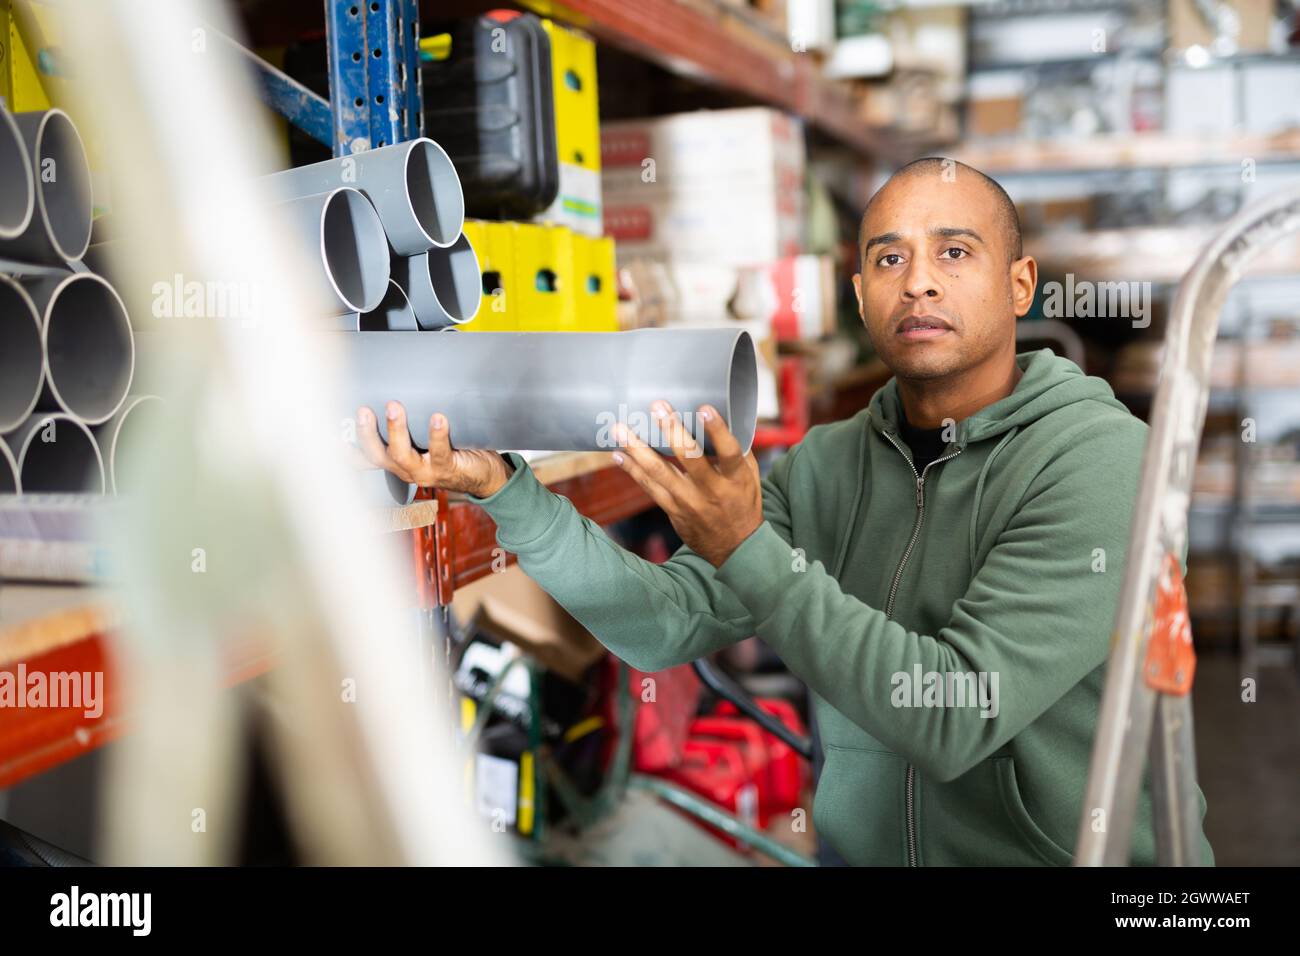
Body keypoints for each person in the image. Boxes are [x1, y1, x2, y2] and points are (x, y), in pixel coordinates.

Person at [355, 158, 1215, 866]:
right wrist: (507, 491)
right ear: (860, 291)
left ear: (1019, 283)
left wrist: (745, 545)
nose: (917, 282)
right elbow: (662, 626)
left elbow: (957, 714)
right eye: (888, 259)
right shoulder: (828, 464)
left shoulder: (1101, 462)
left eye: (954, 253)